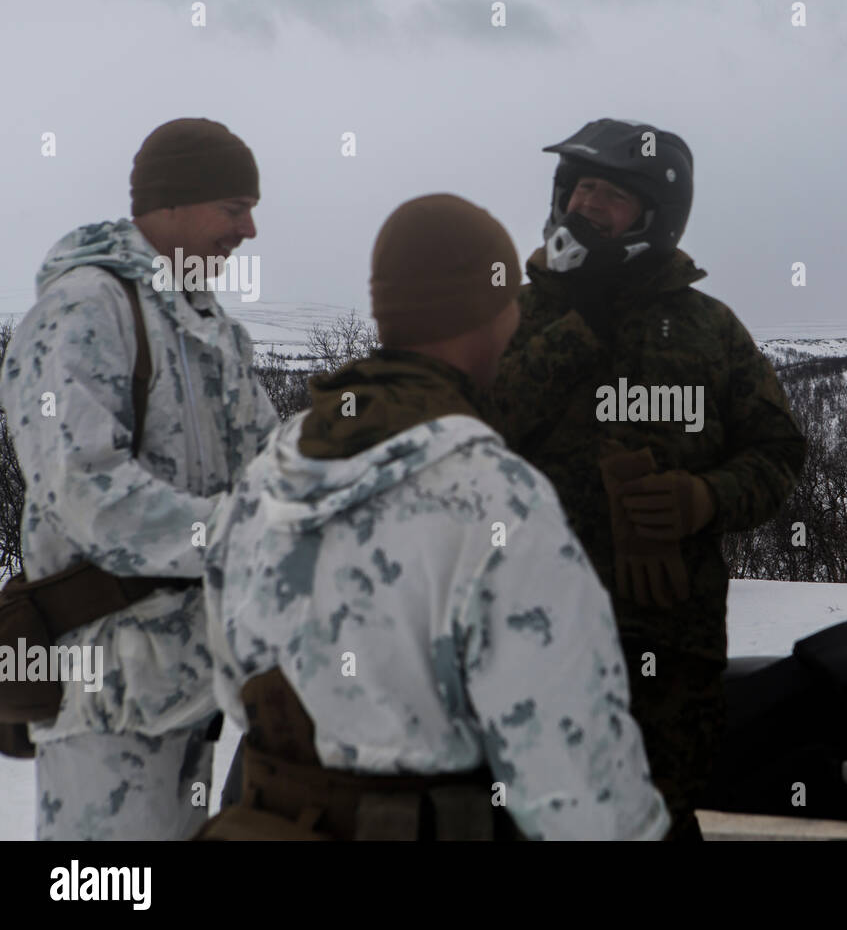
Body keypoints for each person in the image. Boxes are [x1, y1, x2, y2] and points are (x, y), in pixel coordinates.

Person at [200, 194, 669, 840]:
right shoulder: (498, 499)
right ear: (490, 313)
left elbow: (233, 683)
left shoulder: (269, 470)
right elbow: (582, 800)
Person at [490, 119, 806, 840]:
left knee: (655, 818)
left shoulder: (709, 328)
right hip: (519, 638)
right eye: (581, 188)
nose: (587, 205)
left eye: (612, 196)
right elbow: (478, 424)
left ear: (656, 218)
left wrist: (706, 498)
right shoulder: (510, 310)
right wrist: (580, 326)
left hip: (665, 650)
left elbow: (779, 450)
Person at [0, 118, 278, 839]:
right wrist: (235, 537)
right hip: (106, 691)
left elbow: (269, 469)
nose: (248, 229)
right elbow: (84, 490)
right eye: (233, 207)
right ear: (172, 204)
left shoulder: (215, 330)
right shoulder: (85, 309)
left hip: (193, 681)